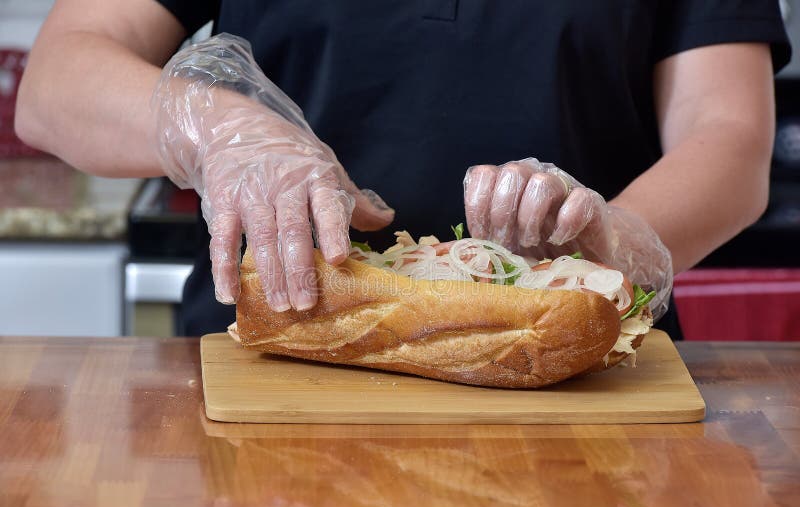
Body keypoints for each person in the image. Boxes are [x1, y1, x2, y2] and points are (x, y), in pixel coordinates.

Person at [15, 1, 791, 337]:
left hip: (581, 367)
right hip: (279, 356)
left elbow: (727, 137)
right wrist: (220, 127)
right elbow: (55, 83)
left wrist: (608, 238)